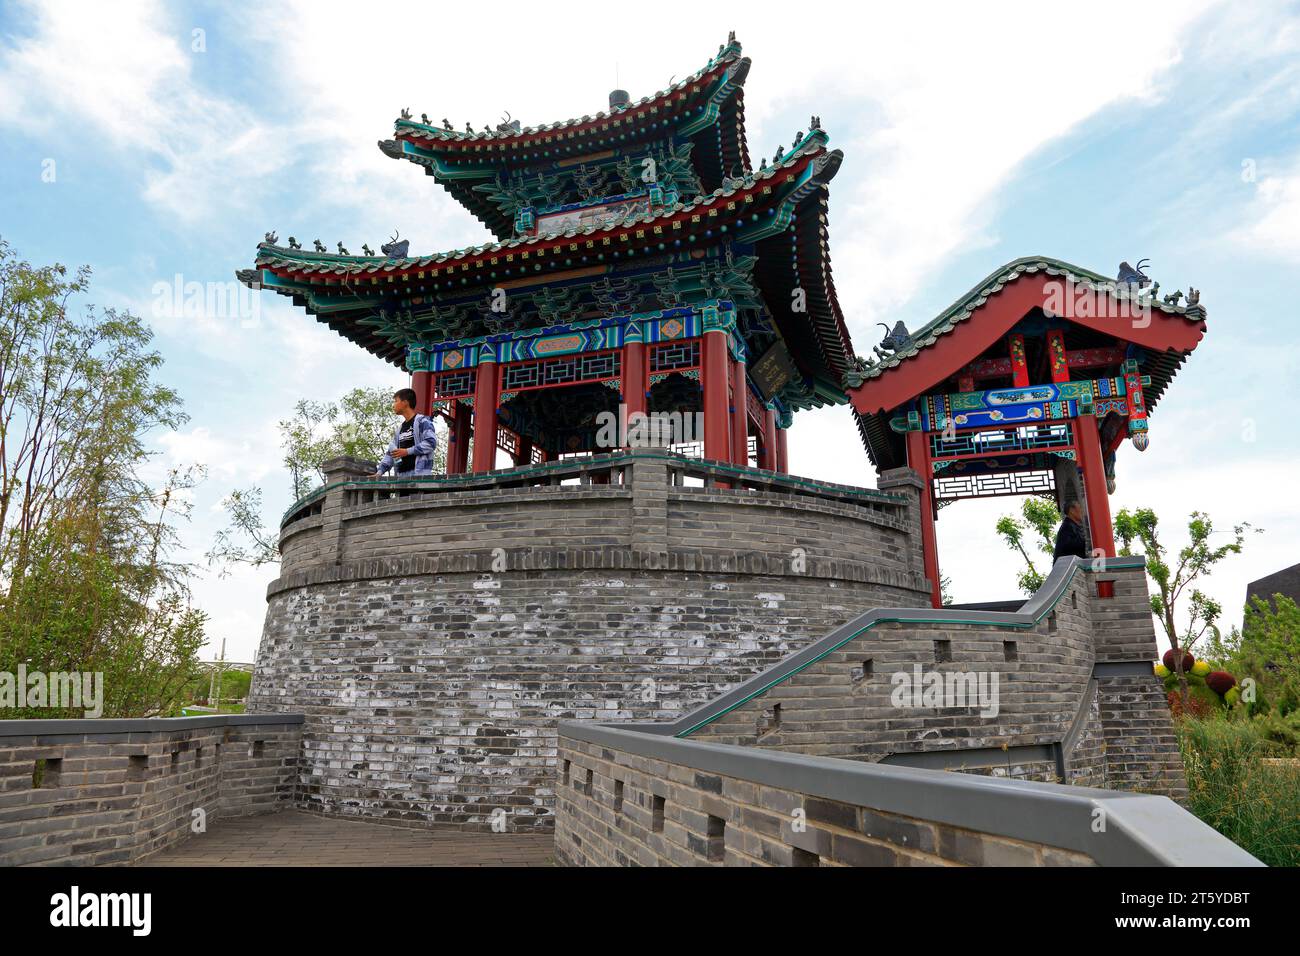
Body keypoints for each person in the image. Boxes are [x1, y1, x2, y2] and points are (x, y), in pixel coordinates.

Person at [376, 388, 437, 477]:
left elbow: (431, 443)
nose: (393, 405)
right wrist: (379, 472)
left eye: (396, 401)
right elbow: (391, 453)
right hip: (400, 476)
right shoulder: (399, 429)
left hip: (419, 475)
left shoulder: (422, 421)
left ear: (405, 402)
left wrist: (407, 451)